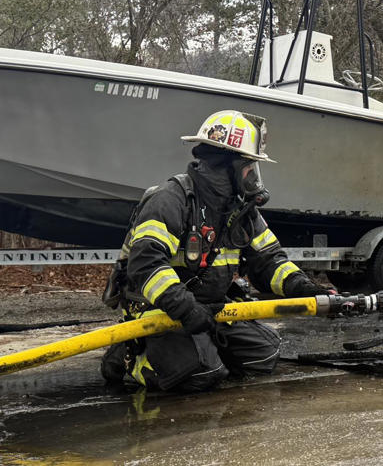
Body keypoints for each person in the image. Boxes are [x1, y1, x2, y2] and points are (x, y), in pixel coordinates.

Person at [101, 110, 335, 391]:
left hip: (210, 307)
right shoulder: (170, 199)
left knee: (264, 356)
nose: (254, 177)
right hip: (160, 307)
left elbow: (269, 261)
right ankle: (130, 358)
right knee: (198, 374)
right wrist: (185, 309)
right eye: (250, 167)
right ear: (228, 165)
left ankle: (203, 349)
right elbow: (146, 265)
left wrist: (306, 289)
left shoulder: (241, 209)